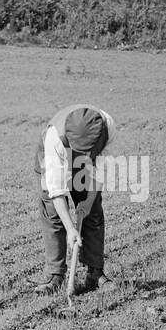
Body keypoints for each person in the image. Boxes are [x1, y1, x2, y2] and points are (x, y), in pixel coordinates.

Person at [32, 104, 119, 294]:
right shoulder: (54, 140)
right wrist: (71, 229)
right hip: (57, 157)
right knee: (53, 213)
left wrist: (86, 204)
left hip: (85, 167)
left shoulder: (106, 128)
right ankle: (55, 275)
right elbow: (56, 191)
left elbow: (101, 171)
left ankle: (95, 273)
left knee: (93, 213)